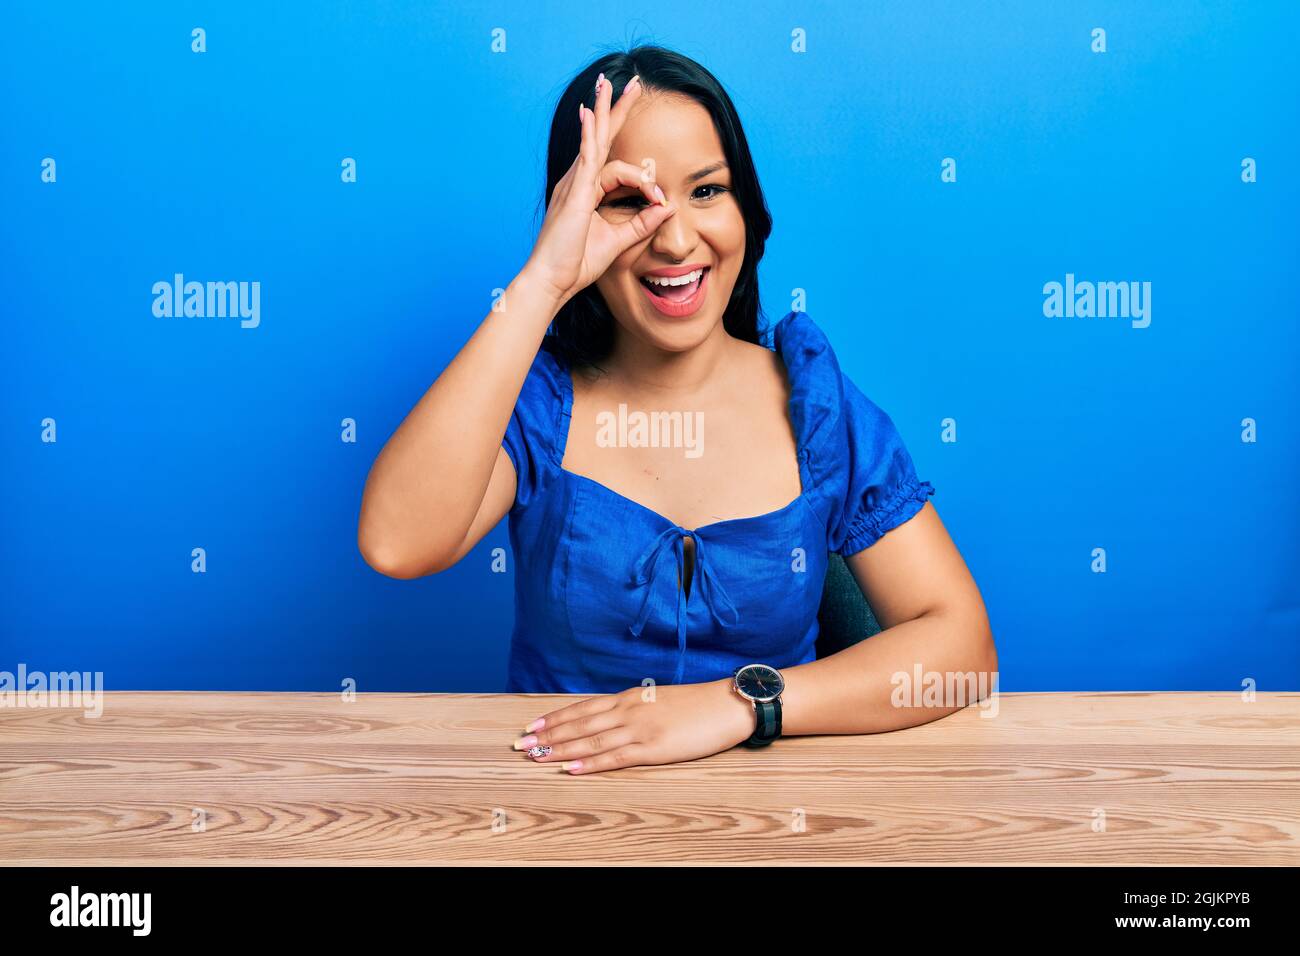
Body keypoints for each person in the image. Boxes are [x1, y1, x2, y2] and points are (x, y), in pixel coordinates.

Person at [358, 45, 996, 775]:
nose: (675, 238)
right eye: (631, 199)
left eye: (706, 191)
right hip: (559, 810)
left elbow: (962, 651)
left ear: (750, 214)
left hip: (774, 819)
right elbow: (396, 543)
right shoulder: (538, 404)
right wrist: (544, 281)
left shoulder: (817, 406)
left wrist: (739, 703)